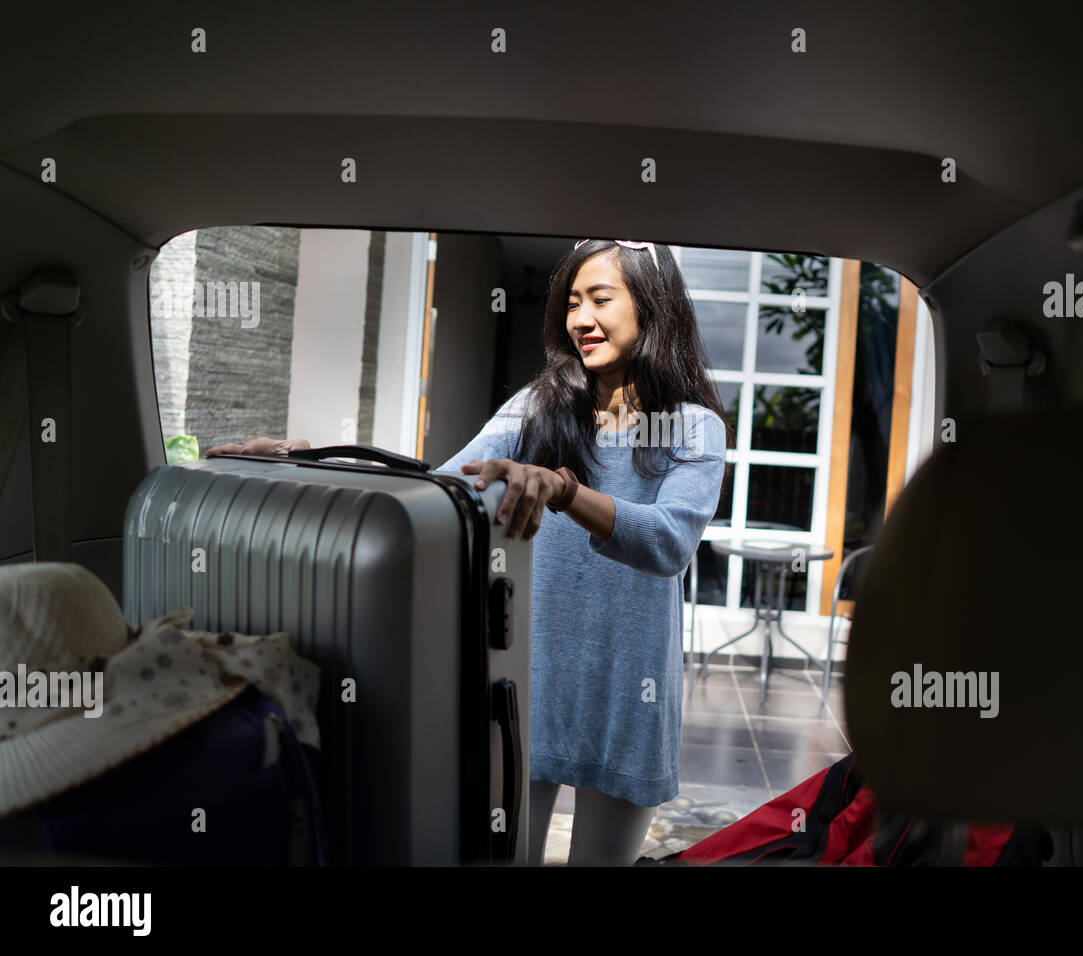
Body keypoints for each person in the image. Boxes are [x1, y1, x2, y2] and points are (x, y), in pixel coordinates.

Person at [208, 238, 731, 865]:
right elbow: (437, 485)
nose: (580, 320)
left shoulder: (695, 425)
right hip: (527, 682)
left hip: (628, 687)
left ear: (652, 307)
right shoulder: (540, 407)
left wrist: (565, 489)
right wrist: (302, 462)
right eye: (571, 303)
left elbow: (667, 542)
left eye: (600, 299)